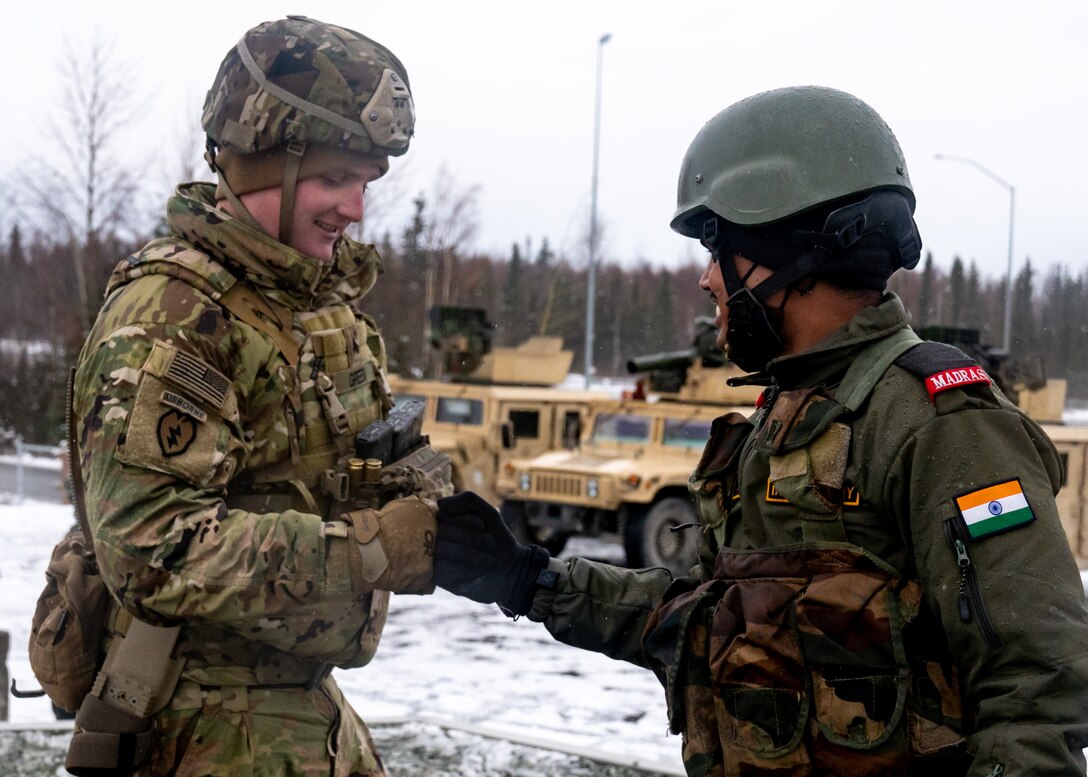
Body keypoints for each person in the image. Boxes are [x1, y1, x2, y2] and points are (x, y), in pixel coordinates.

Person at [434, 86, 1088, 776]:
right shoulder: (789, 417)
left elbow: (1037, 695)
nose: (706, 279)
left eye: (721, 248)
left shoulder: (941, 422)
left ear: (789, 252)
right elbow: (705, 621)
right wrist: (528, 578)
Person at [71, 16, 445, 775]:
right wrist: (370, 551)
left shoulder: (313, 303)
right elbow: (153, 547)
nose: (355, 209)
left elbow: (345, 465)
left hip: (302, 709)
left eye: (366, 183)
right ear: (258, 161)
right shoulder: (174, 315)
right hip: (204, 725)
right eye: (335, 179)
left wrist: (417, 492)